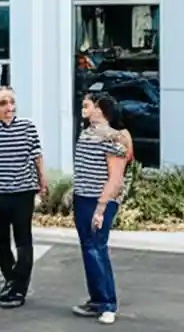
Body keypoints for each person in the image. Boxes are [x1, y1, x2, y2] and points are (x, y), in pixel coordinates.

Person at [0, 86, 47, 308]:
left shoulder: (27, 127)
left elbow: (37, 155)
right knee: (0, 240)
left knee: (23, 239)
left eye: (12, 102)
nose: (10, 108)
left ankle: (18, 288)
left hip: (22, 192)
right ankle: (11, 280)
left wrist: (43, 180)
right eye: (3, 103)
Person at [71, 92, 131, 325]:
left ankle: (108, 303)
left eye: (87, 105)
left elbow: (115, 178)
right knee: (88, 247)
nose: (83, 109)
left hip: (99, 200)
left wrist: (101, 207)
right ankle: (96, 300)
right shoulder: (87, 133)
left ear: (99, 108)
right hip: (82, 197)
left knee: (97, 247)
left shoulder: (112, 138)